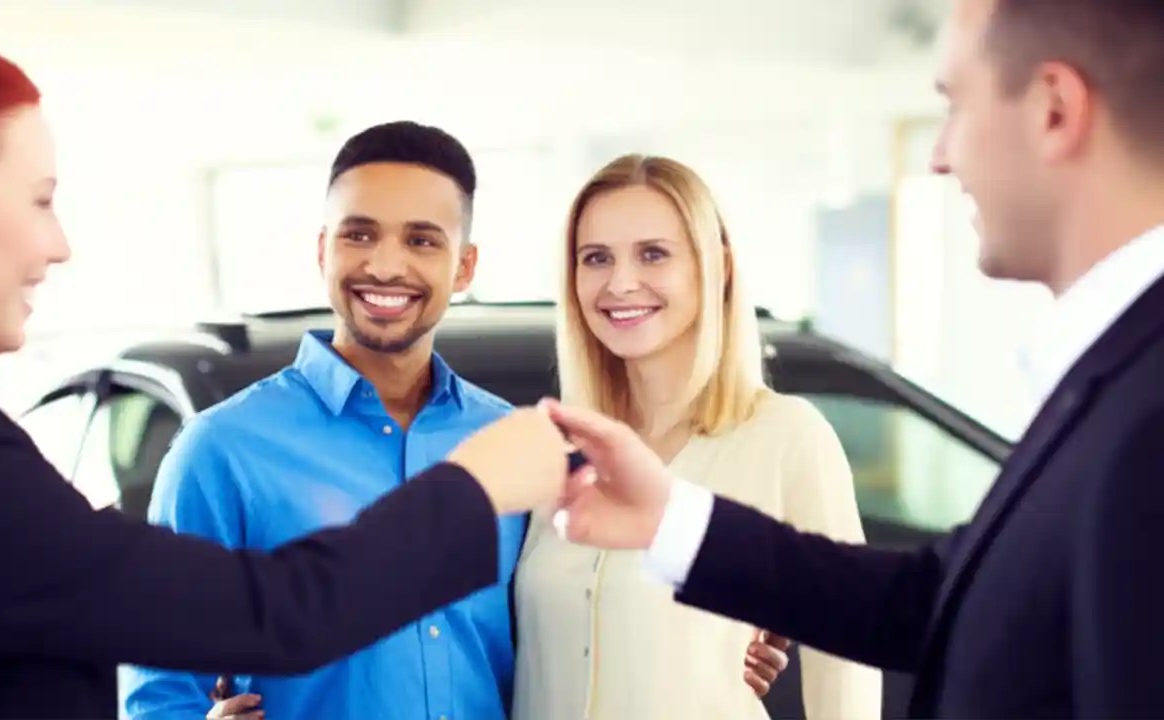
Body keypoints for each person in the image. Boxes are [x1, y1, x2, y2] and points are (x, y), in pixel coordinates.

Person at [0, 27, 573, 720]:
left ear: (465, 265)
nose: (59, 245)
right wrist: (473, 488)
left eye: (422, 239)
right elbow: (276, 613)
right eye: (39, 199)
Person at [544, 0, 1164, 716]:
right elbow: (936, 599)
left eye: (954, 106)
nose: (938, 155)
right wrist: (674, 523)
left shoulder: (1144, 400)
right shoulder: (1109, 377)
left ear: (1054, 109)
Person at [132, 125, 792, 720]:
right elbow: (161, 692)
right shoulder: (221, 452)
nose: (386, 265)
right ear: (323, 250)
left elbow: (575, 619)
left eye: (422, 240)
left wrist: (716, 650)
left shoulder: (523, 446)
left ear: (465, 266)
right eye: (359, 234)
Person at [510, 154, 881, 720]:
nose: (620, 283)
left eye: (653, 254)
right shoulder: (558, 446)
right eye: (596, 258)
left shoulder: (786, 437)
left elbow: (848, 653)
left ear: (718, 267)